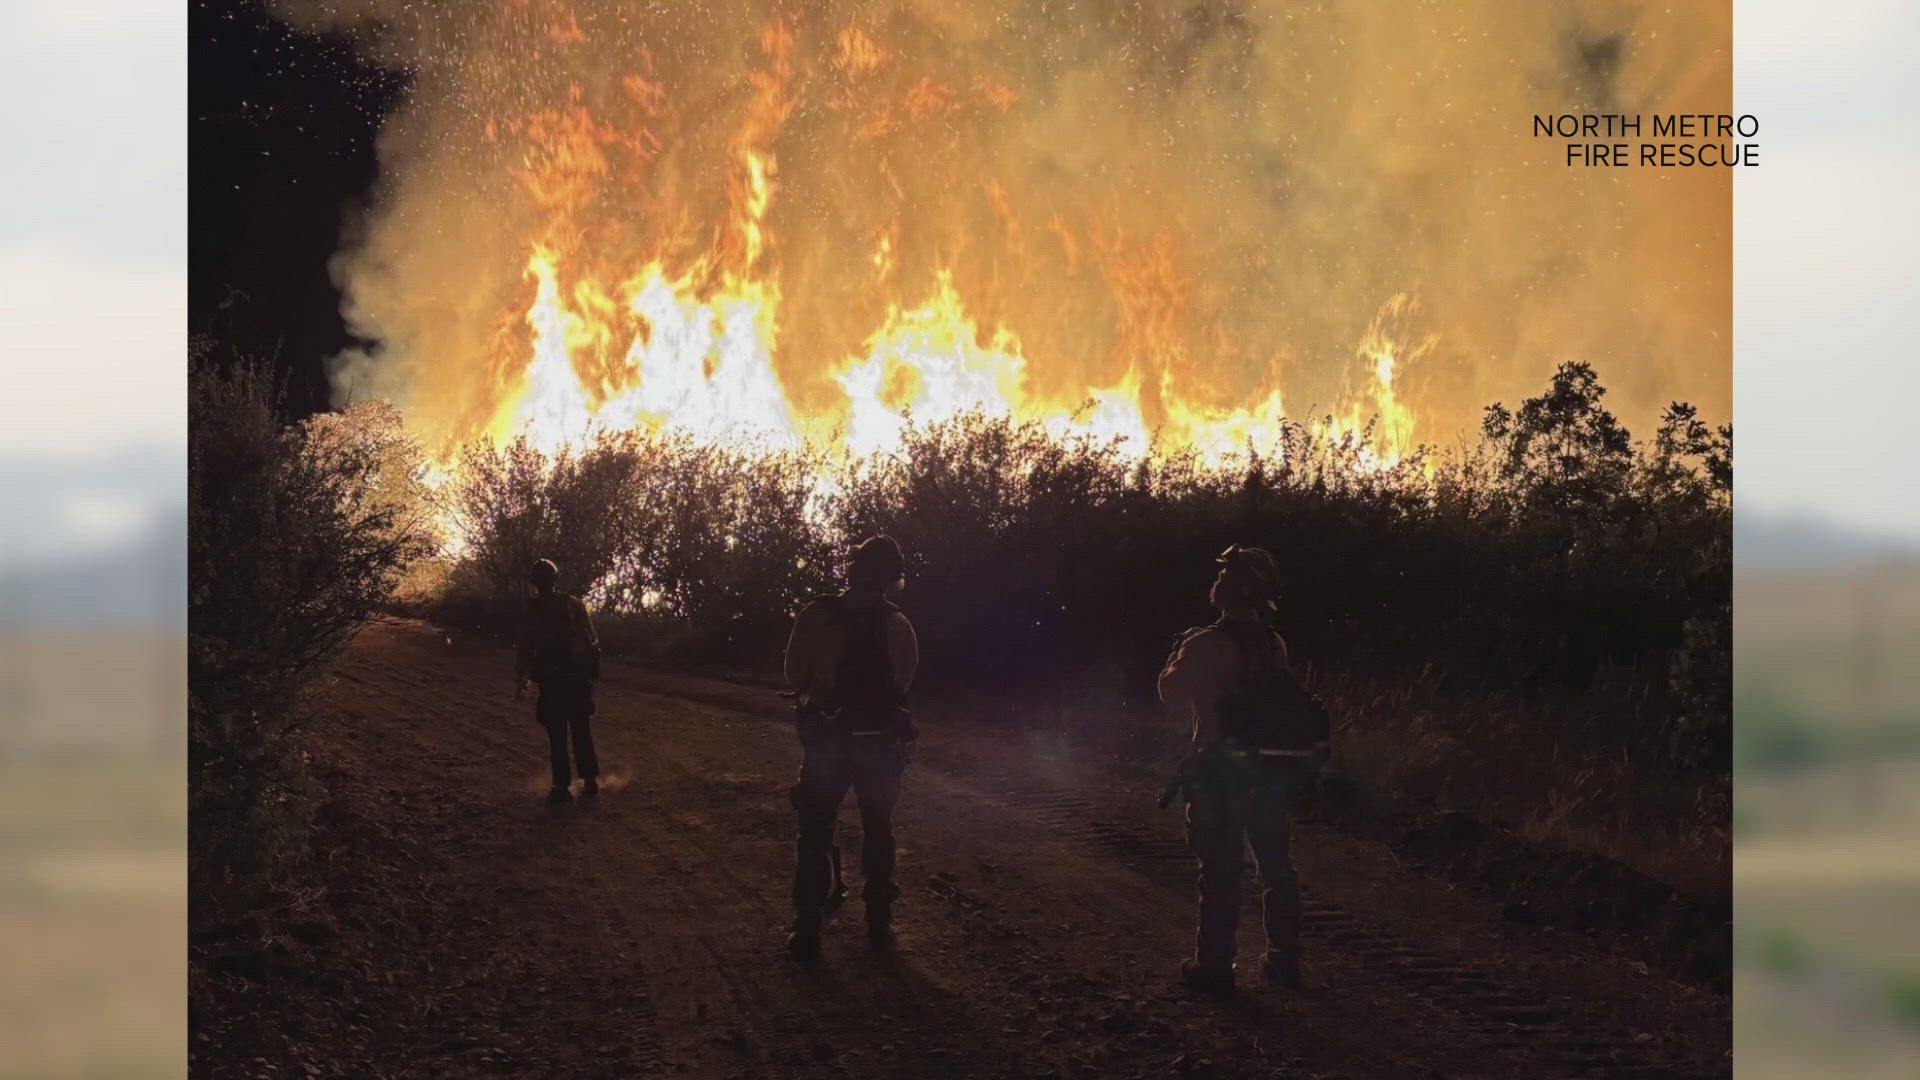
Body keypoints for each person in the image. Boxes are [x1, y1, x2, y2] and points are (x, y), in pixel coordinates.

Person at [1157, 545, 1329, 994]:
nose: (1216, 581)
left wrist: (1179, 652)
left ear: (1234, 589)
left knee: (1221, 869)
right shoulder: (1274, 644)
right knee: (1276, 866)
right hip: (1268, 772)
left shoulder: (1203, 644)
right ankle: (1284, 960)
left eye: (1224, 576)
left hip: (1218, 773)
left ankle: (1215, 966)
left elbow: (1169, 694)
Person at [782, 535, 920, 959]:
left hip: (828, 743)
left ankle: (807, 929)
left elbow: (793, 677)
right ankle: (880, 925)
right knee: (879, 831)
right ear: (891, 577)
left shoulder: (816, 615)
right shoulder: (898, 624)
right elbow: (902, 684)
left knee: (815, 834)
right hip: (879, 746)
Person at [515, 558, 602, 804]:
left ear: (535, 583)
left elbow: (525, 647)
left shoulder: (533, 610)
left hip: (551, 680)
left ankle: (561, 786)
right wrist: (591, 673)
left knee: (557, 734)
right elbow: (593, 642)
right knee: (581, 729)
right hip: (577, 678)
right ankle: (590, 780)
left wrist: (521, 676)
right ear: (555, 579)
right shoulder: (573, 604)